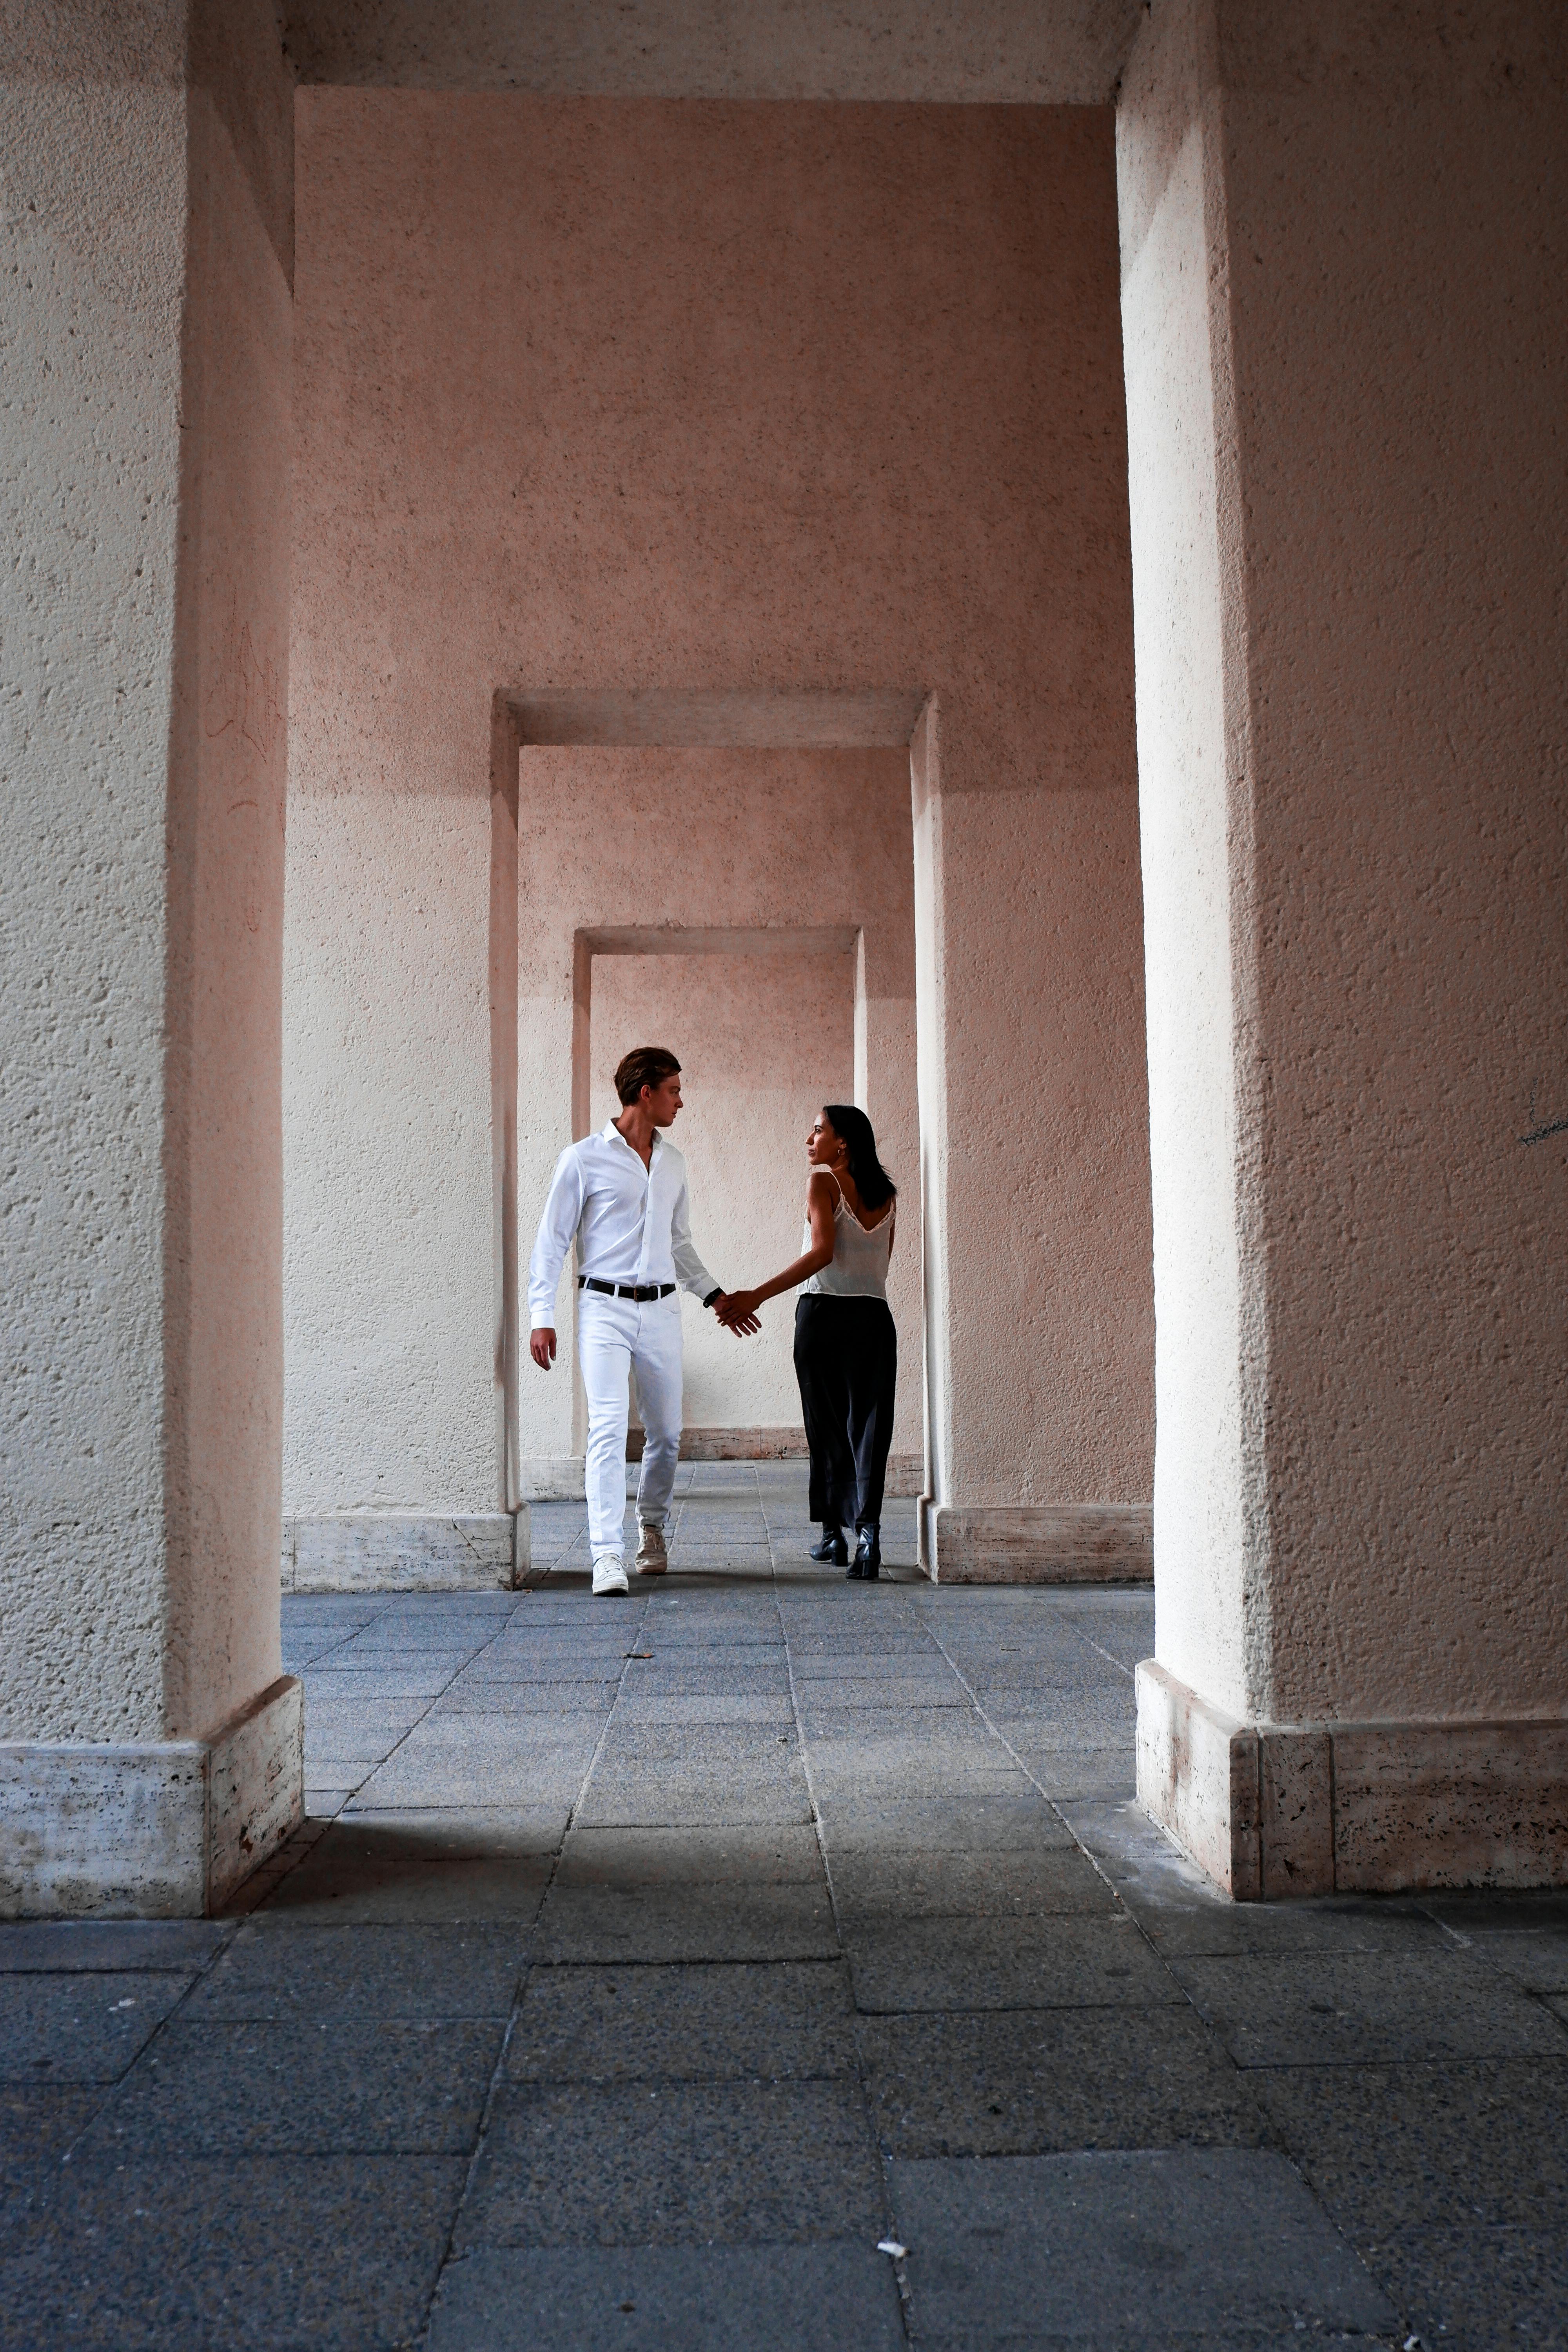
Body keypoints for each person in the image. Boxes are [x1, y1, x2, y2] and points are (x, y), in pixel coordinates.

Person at [528, 1046, 757, 1596]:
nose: (681, 1101)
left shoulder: (674, 1163)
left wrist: (715, 1296)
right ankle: (606, 1554)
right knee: (607, 1427)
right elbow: (552, 1242)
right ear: (645, 1092)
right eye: (674, 1090)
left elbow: (679, 1244)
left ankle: (651, 1526)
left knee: (667, 1434)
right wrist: (542, 1315)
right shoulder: (582, 1159)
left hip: (661, 1311)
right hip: (602, 1310)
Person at [717, 1104, 897, 1579]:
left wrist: (756, 1295)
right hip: (874, 1318)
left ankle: (834, 1534)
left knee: (826, 1428)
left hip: (823, 1315)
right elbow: (880, 1265)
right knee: (871, 1430)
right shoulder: (887, 1196)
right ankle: (867, 1539)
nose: (809, 1139)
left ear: (843, 1142)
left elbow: (822, 1253)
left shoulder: (822, 1183)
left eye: (818, 1131)